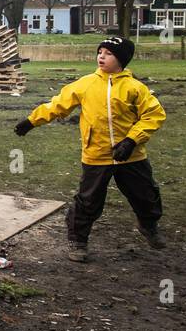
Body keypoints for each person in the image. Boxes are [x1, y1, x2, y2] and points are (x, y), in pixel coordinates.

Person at [14, 35, 166, 261]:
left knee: (146, 196)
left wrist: (132, 140)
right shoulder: (85, 84)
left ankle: (148, 226)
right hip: (96, 154)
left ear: (122, 60)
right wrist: (31, 121)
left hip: (131, 156)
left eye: (109, 53)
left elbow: (154, 115)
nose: (101, 57)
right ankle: (77, 240)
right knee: (88, 201)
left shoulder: (136, 88)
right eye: (100, 52)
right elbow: (57, 105)